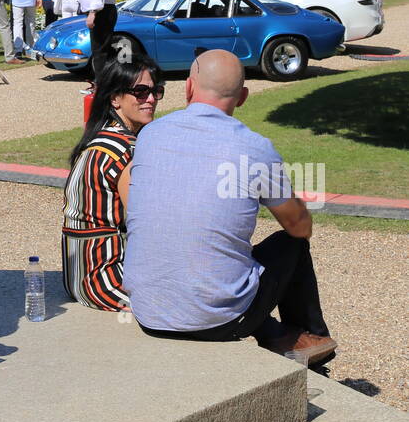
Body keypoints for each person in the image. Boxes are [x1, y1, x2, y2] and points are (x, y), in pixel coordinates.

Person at [123, 50, 336, 365]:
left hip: (147, 309)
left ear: (189, 88)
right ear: (243, 97)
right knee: (290, 245)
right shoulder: (254, 148)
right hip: (216, 321)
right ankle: (312, 347)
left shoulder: (151, 135)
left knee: (211, 257)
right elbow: (299, 225)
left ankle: (283, 337)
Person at [62, 55, 164, 312]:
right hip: (108, 278)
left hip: (79, 274)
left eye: (155, 91)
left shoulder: (100, 139)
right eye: (140, 92)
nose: (150, 99)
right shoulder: (124, 150)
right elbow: (146, 222)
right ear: (115, 98)